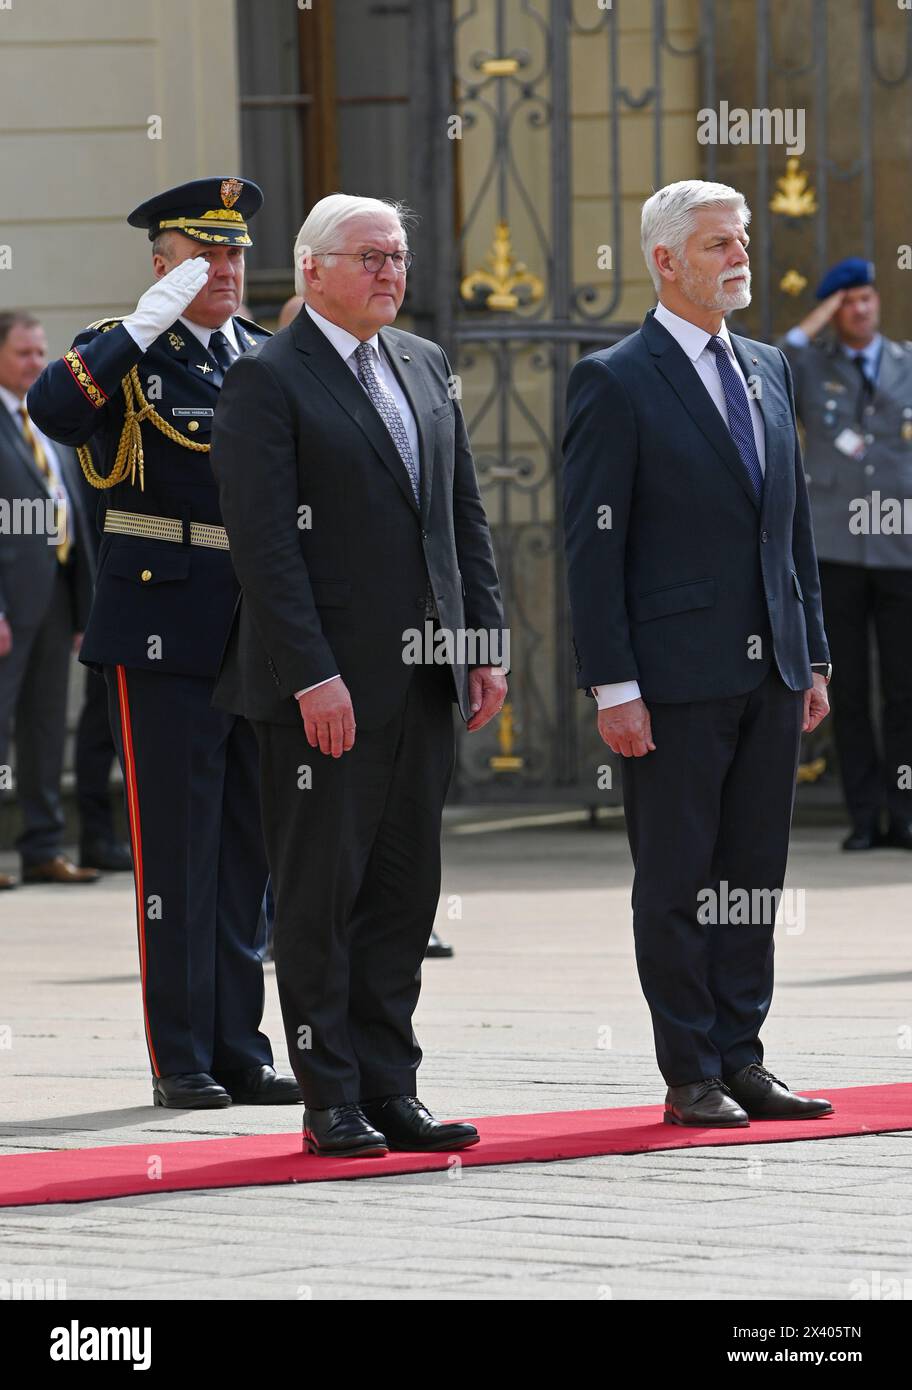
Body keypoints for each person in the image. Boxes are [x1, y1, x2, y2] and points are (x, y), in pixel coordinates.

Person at [210, 192, 507, 1156]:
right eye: (371, 256)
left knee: (402, 894)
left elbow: (461, 519)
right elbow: (264, 549)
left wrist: (481, 642)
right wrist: (311, 676)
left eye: (399, 255)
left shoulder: (422, 364)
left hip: (424, 678)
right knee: (318, 897)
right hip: (322, 694)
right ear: (312, 271)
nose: (391, 271)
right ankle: (328, 1094)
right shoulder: (269, 379)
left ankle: (392, 1086)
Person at [563, 179, 834, 1128]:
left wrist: (815, 655)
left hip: (770, 670)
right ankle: (691, 1071)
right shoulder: (616, 378)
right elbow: (591, 548)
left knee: (752, 876)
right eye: (718, 243)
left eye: (743, 239)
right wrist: (614, 683)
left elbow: (789, 522)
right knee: (679, 877)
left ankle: (743, 1054)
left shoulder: (767, 366)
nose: (739, 256)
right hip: (670, 682)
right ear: (665, 261)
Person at [28, 178, 300, 1110]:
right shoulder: (128, 353)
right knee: (177, 849)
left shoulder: (265, 355)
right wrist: (141, 326)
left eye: (234, 254)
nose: (224, 269)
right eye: (202, 254)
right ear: (163, 265)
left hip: (257, 625)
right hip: (163, 622)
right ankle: (180, 1054)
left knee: (247, 852)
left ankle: (240, 1048)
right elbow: (55, 412)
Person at [778, 259, 912, 851]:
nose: (861, 308)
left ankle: (904, 812)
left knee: (904, 689)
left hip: (900, 546)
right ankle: (864, 816)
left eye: (866, 298)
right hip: (836, 546)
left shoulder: (907, 363)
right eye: (847, 301)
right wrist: (822, 314)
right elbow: (779, 357)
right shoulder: (812, 364)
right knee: (848, 688)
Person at [0, 311, 97, 890]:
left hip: (56, 596)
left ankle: (42, 846)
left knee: (43, 724)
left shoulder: (47, 420)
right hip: (8, 604)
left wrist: (84, 609)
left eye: (42, 353)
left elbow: (72, 511)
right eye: (24, 354)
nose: (38, 363)